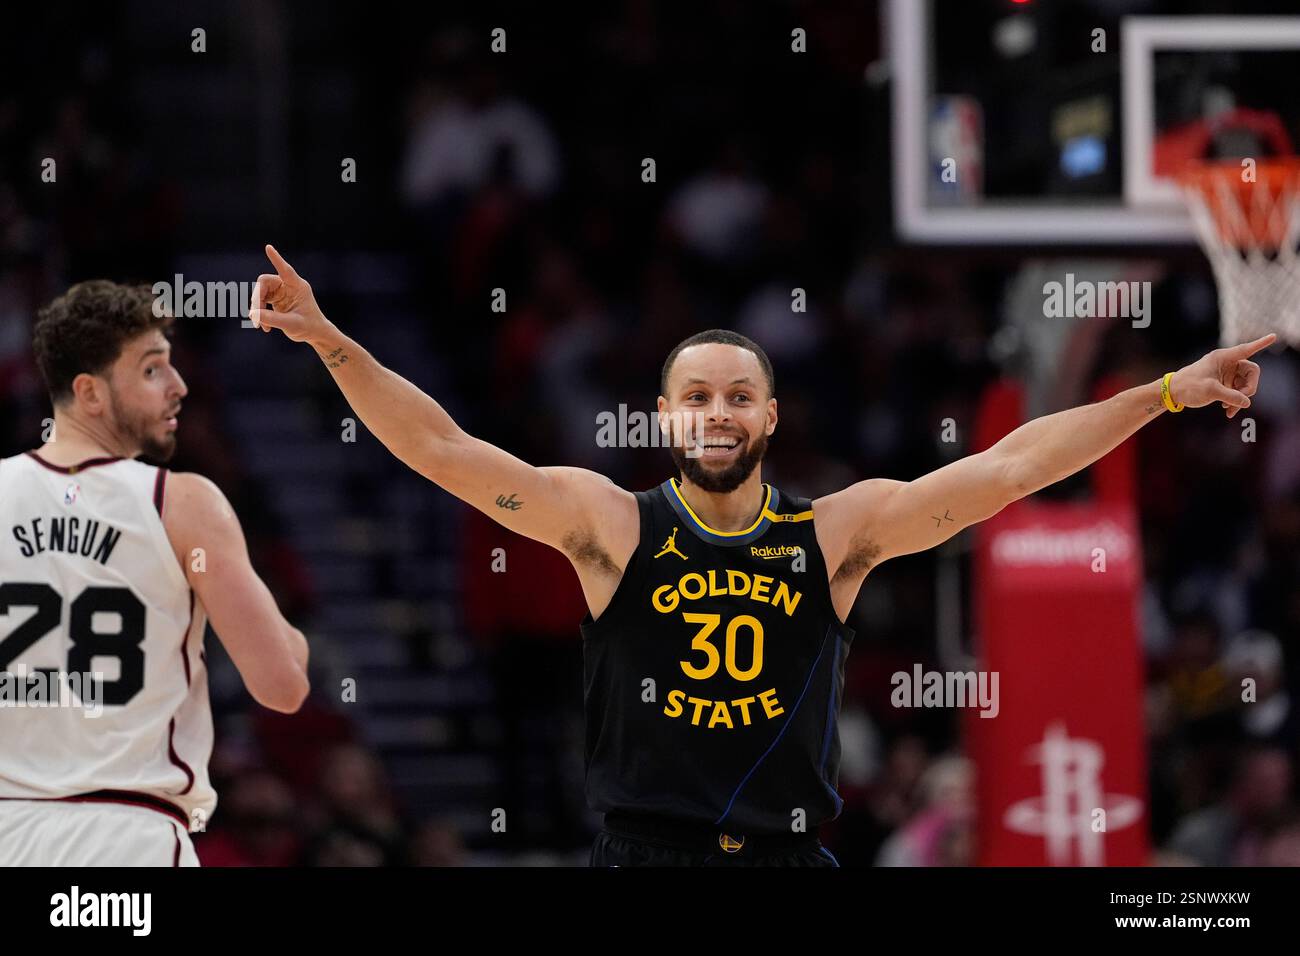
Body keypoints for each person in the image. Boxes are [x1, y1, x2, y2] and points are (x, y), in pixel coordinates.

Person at [251, 244, 1275, 867]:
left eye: (737, 394)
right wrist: (328, 337)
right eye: (695, 396)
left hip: (789, 854)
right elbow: (441, 449)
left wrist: (1166, 391)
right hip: (644, 852)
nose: (716, 412)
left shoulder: (833, 531)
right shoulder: (611, 524)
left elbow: (1010, 468)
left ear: (771, 416)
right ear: (662, 416)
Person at [0, 280, 310, 866]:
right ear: (90, 393)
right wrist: (290, 642)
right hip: (126, 840)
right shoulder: (183, 503)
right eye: (152, 371)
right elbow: (283, 685)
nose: (179, 387)